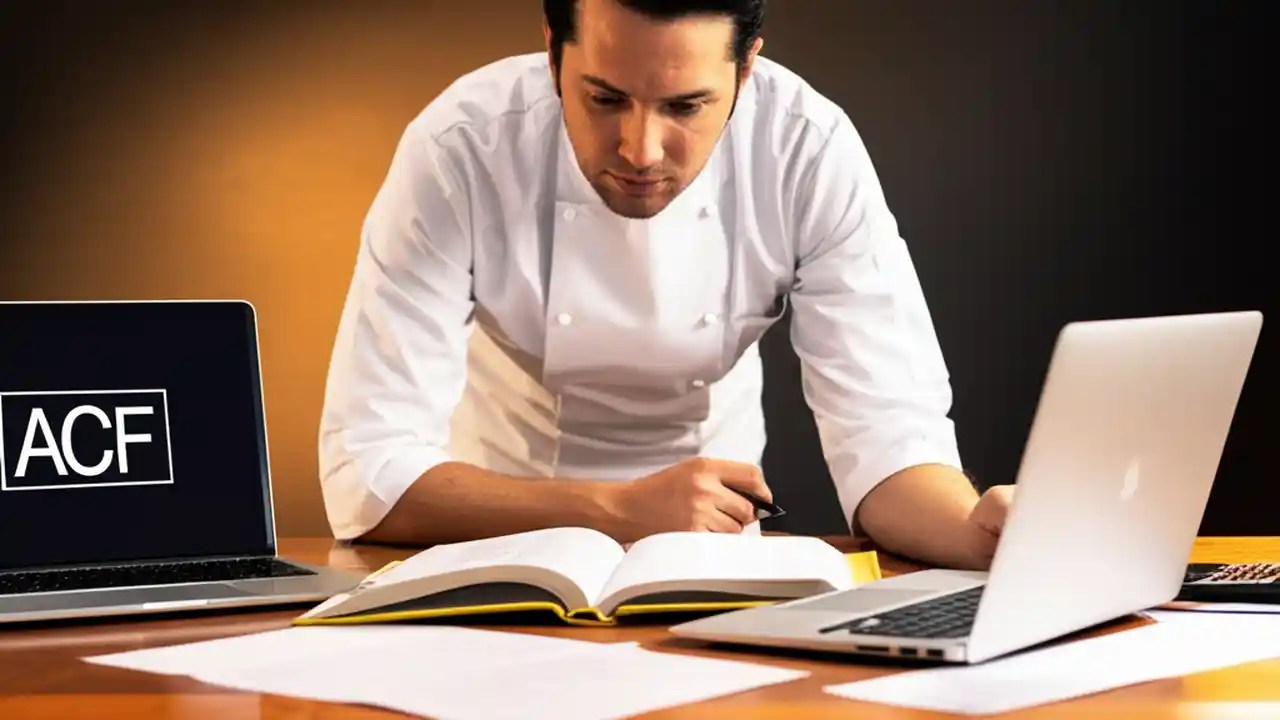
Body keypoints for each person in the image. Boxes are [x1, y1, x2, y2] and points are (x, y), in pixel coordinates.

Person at [318, 0, 1015, 570]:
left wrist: (976, 532)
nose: (641, 150)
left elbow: (890, 438)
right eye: (604, 98)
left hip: (712, 561)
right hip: (492, 551)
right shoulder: (463, 146)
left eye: (685, 107)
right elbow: (368, 472)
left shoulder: (805, 147)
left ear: (746, 69)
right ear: (552, 53)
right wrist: (617, 509)